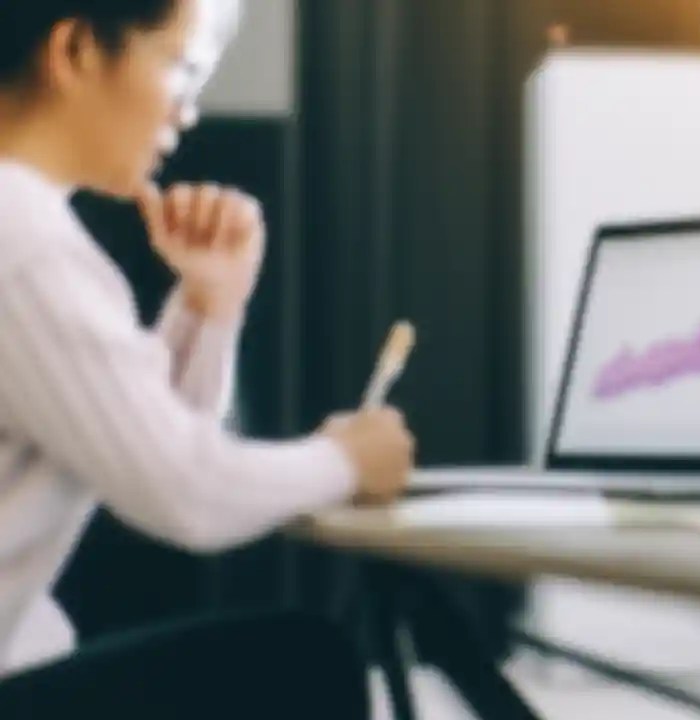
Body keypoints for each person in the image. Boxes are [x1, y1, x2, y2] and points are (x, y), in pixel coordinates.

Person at [0, 0, 416, 717]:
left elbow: (142, 451)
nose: (188, 111)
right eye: (179, 68)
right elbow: (187, 495)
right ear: (73, 51)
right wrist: (348, 457)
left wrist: (206, 302)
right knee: (299, 661)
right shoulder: (26, 240)